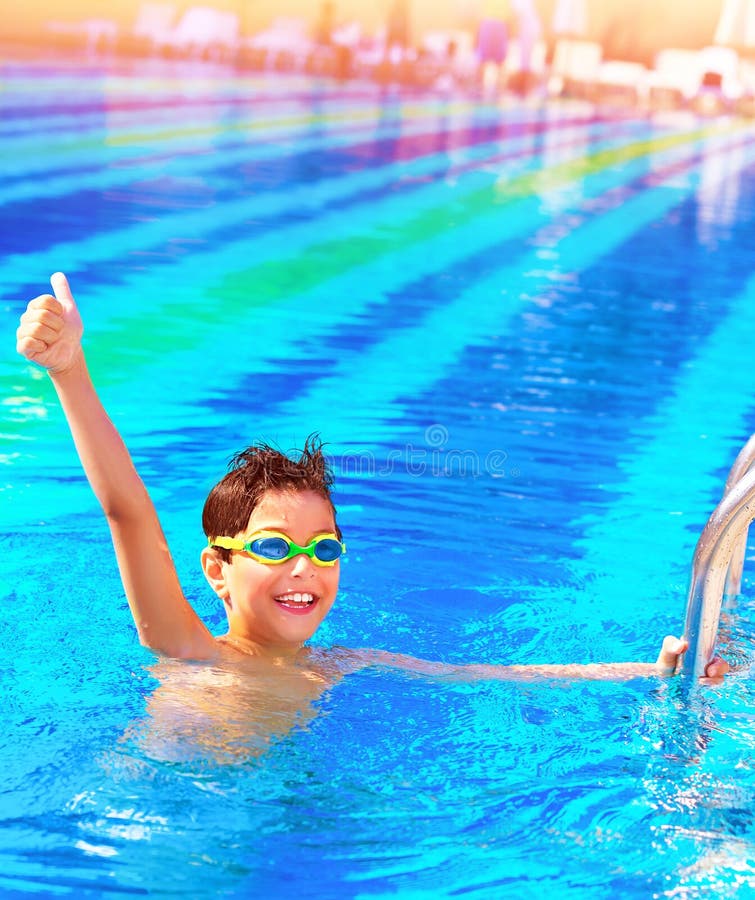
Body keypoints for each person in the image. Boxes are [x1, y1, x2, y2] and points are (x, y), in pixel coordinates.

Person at [16, 274, 728, 692]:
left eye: (324, 550)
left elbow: (486, 676)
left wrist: (649, 670)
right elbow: (127, 513)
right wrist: (70, 370)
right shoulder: (188, 648)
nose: (304, 569)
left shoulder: (336, 664)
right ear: (218, 568)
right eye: (273, 549)